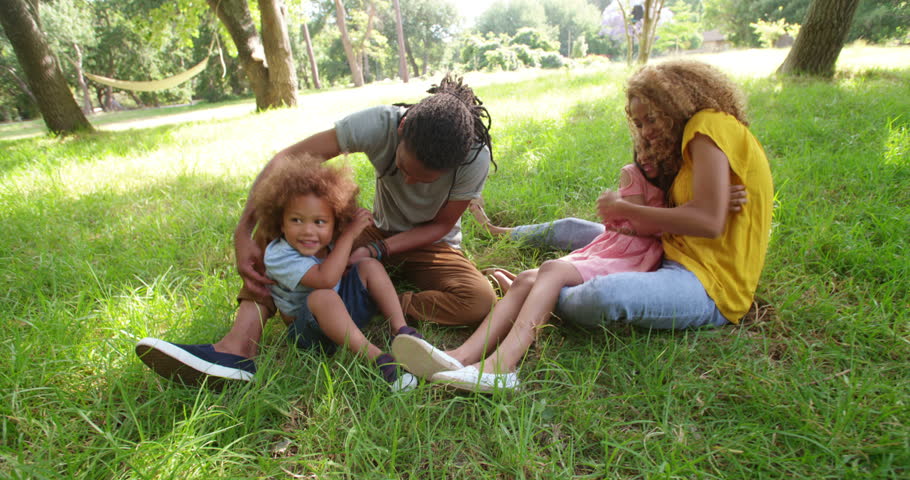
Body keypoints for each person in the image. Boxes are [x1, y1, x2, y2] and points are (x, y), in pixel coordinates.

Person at [393, 59, 774, 392]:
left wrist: (634, 209)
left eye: (652, 118)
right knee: (557, 248)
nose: (646, 131)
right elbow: (686, 211)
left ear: (677, 101)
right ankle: (460, 355)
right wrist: (682, 206)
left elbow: (706, 221)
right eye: (639, 123)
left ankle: (509, 349)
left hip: (709, 284)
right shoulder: (677, 156)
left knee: (591, 297)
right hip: (663, 250)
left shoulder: (707, 126)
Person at [135, 74, 497, 386]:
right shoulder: (380, 124)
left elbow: (441, 225)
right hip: (376, 229)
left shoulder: (473, 155)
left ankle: (382, 305)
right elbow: (286, 161)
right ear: (401, 130)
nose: (410, 181)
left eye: (425, 179)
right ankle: (237, 348)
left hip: (431, 244)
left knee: (479, 300)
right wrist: (244, 232)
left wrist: (374, 253)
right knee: (286, 231)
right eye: (404, 168)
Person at [263, 155, 418, 391]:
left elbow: (342, 271)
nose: (307, 231)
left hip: (343, 316)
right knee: (322, 295)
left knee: (368, 265)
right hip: (310, 334)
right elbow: (326, 279)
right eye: (296, 220)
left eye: (319, 222)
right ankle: (378, 359)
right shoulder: (279, 255)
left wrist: (348, 252)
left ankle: (401, 330)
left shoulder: (332, 243)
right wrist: (349, 236)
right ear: (280, 223)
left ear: (336, 222)